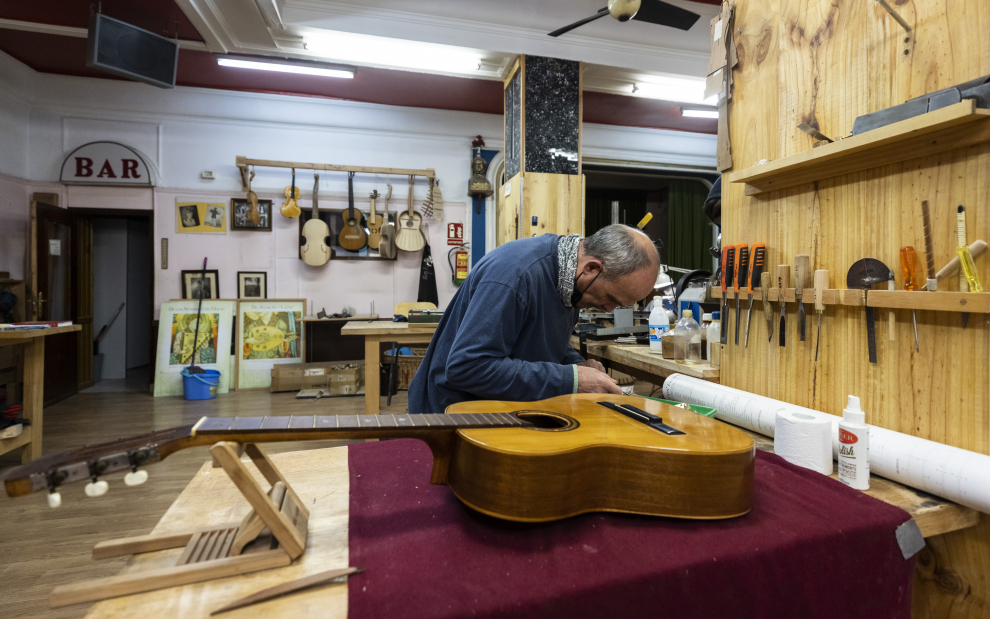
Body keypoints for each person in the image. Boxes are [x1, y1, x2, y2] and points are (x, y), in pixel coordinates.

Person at [408, 224, 660, 414]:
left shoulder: (570, 282)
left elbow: (539, 341)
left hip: (499, 405)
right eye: (610, 297)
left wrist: (577, 365)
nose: (608, 309)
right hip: (453, 412)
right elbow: (467, 368)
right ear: (591, 268)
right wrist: (570, 379)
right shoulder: (515, 275)